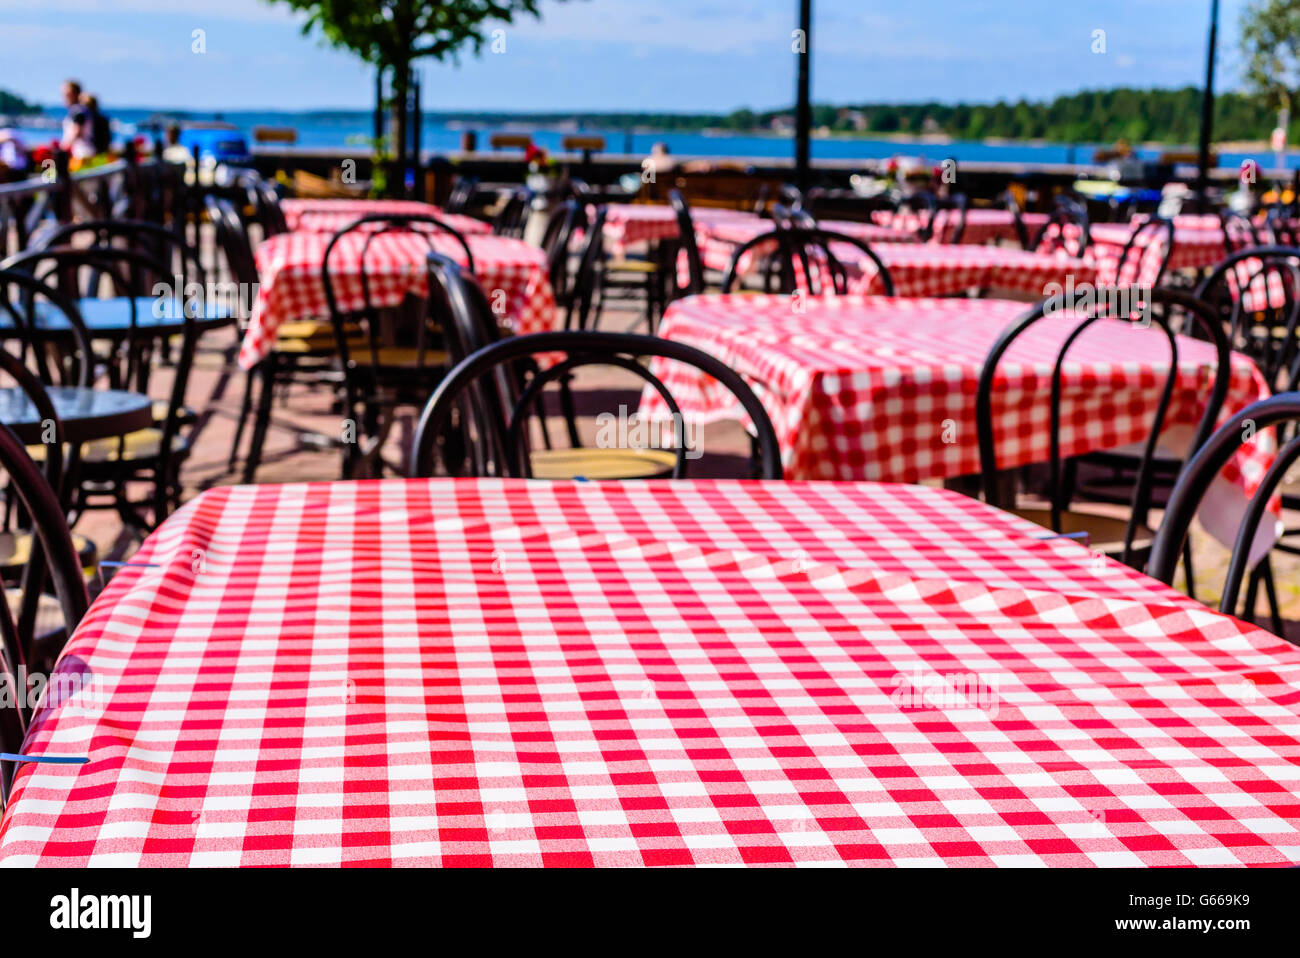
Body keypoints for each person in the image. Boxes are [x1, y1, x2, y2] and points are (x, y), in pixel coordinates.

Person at [59, 80, 94, 158]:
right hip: (83, 153)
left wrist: (62, 148)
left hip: (82, 154)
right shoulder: (81, 110)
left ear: (76, 94)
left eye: (68, 94)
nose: (65, 97)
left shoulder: (78, 111)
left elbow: (77, 132)